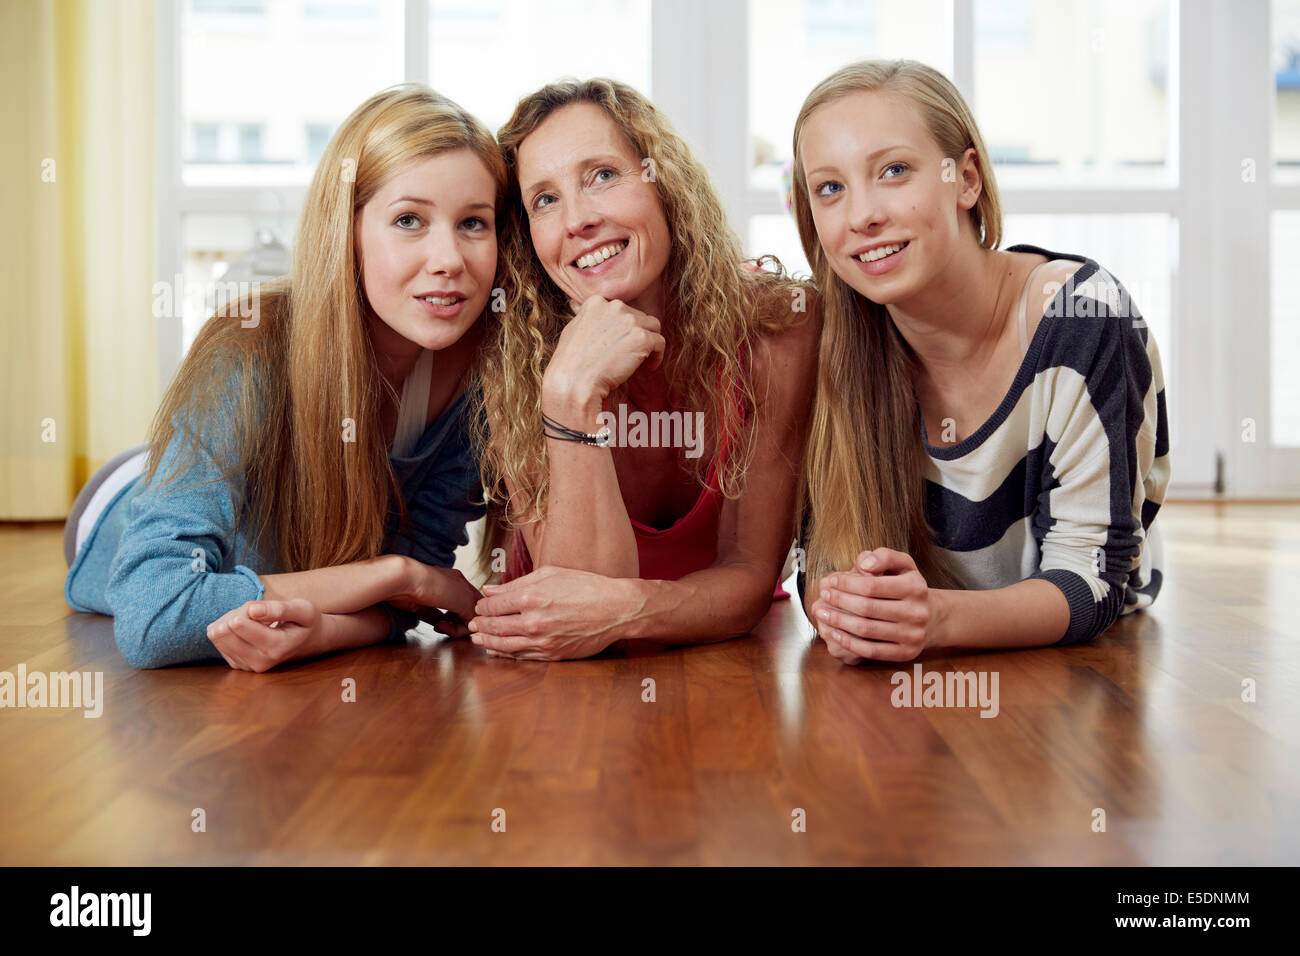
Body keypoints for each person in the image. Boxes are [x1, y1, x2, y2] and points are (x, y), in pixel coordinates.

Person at [63, 85, 502, 671]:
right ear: (345, 235)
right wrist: (392, 573)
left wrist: (327, 629)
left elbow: (405, 607)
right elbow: (156, 613)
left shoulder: (478, 380)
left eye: (474, 222)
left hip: (258, 532)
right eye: (408, 219)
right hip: (124, 500)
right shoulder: (248, 348)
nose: (449, 258)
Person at [791, 60, 1170, 663]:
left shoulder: (1080, 319)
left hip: (1073, 673)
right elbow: (819, 569)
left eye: (894, 171)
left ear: (965, 179)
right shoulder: (827, 341)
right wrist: (854, 609)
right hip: (904, 681)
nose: (861, 215)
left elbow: (1095, 581)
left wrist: (935, 619)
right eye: (829, 188)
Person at [466, 78, 821, 661]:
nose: (577, 220)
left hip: (718, 665)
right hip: (549, 683)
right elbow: (574, 627)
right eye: (545, 200)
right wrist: (569, 394)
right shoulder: (515, 355)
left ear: (665, 185)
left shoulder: (776, 330)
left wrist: (627, 608)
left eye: (603, 176)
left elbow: (748, 578)